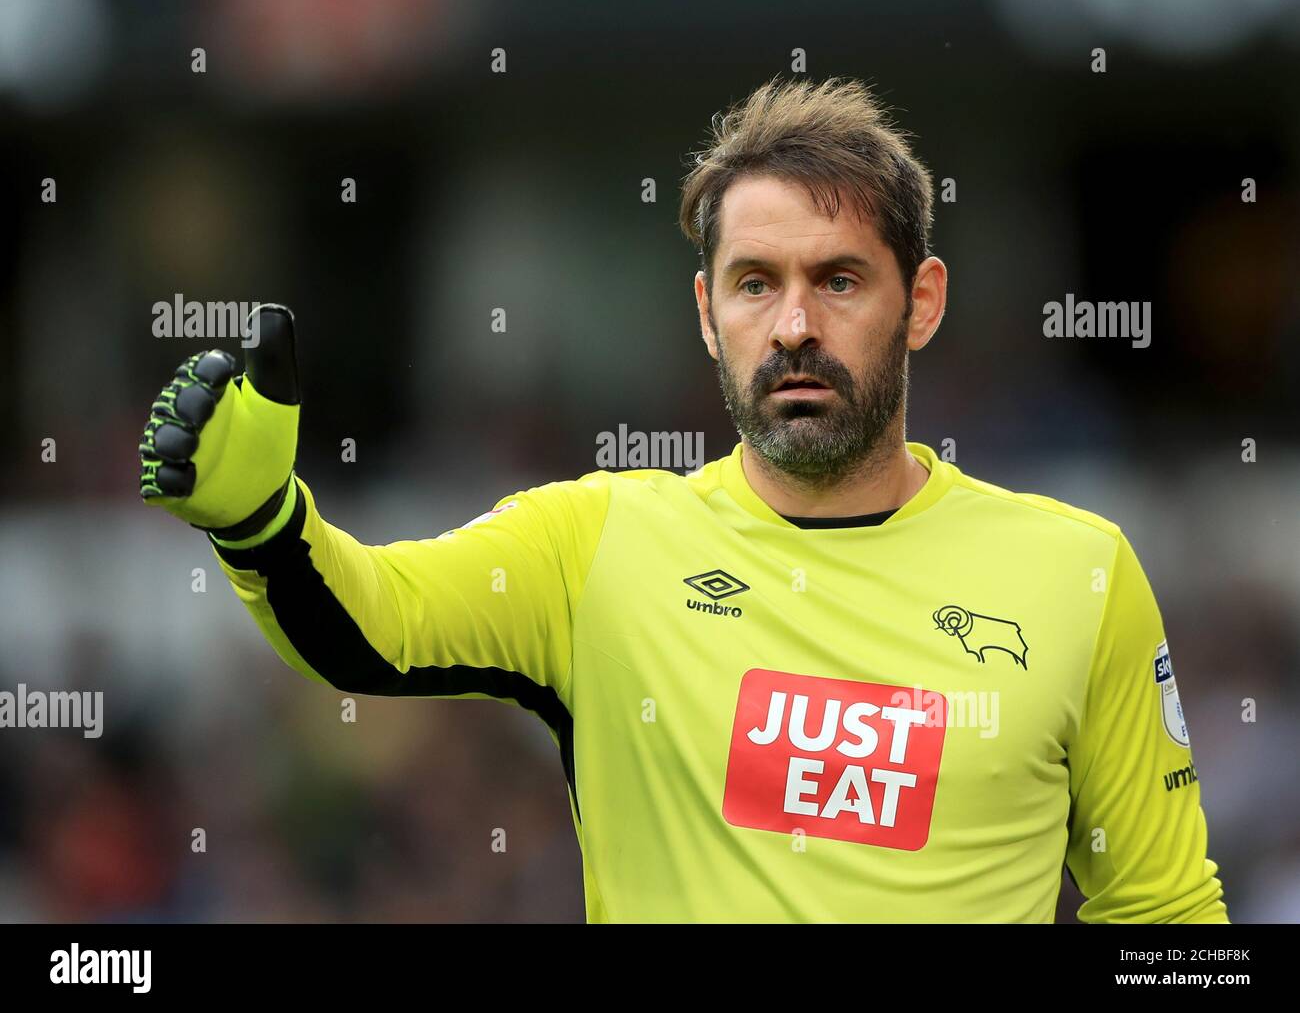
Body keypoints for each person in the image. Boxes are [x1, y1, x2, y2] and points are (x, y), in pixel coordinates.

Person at [137, 76, 1228, 923]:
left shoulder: (1076, 573)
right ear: (709, 313)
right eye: (757, 283)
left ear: (922, 302)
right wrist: (263, 524)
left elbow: (1170, 918)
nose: (794, 325)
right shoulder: (597, 541)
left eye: (838, 279)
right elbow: (372, 625)